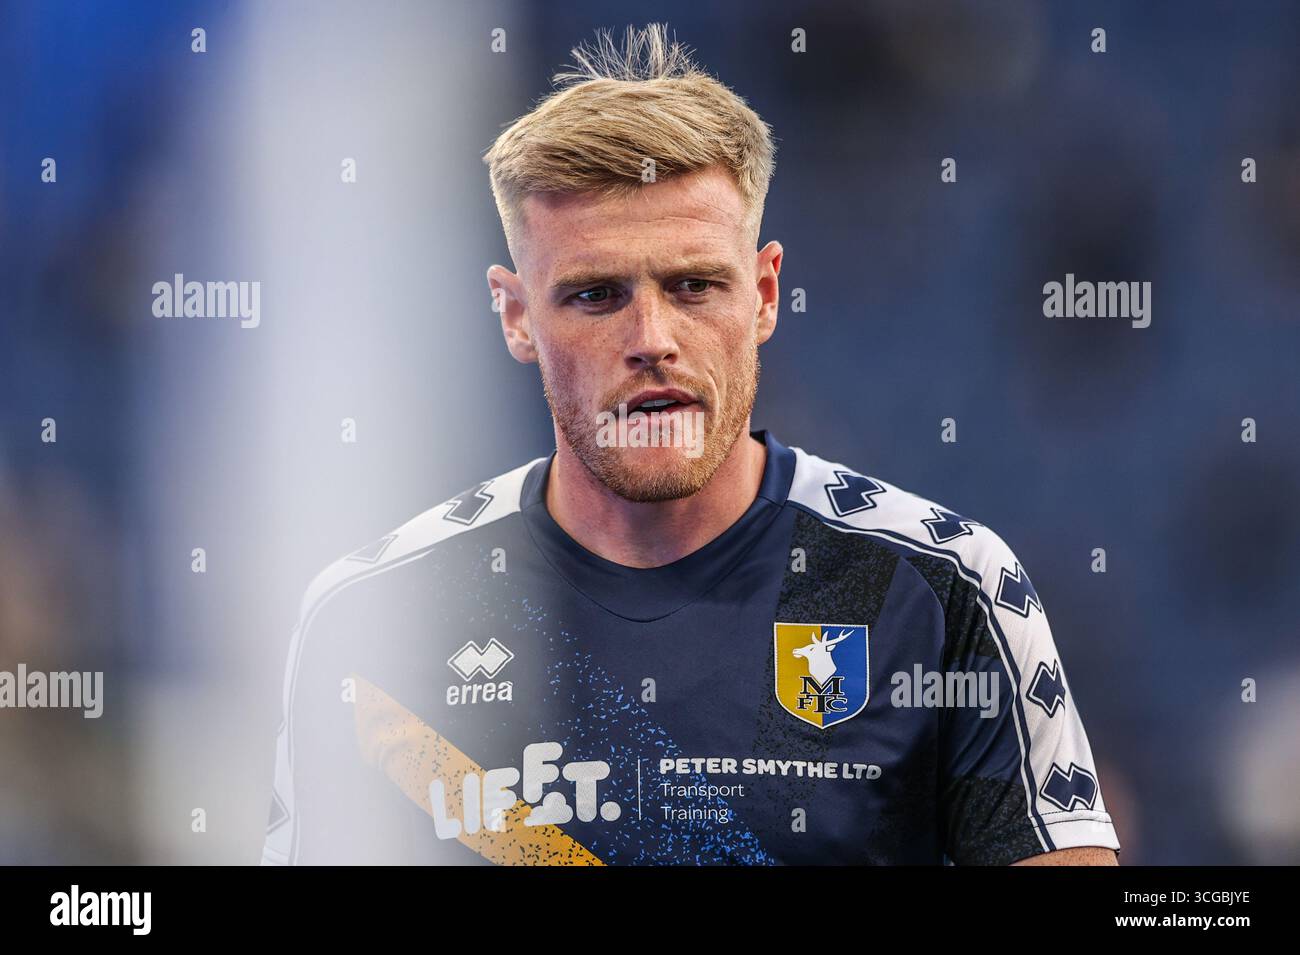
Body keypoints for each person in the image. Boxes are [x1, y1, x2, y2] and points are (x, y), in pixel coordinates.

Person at [262, 23, 1119, 866]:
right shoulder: (373, 618)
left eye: (694, 285)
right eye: (596, 295)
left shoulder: (944, 588)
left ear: (765, 294)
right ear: (517, 315)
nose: (652, 339)